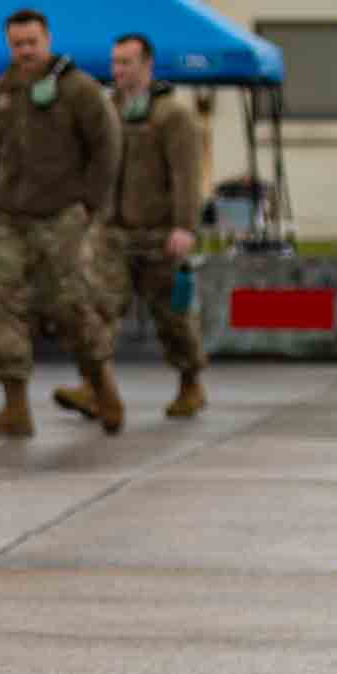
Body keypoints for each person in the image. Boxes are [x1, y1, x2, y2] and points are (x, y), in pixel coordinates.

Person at [0, 6, 119, 439]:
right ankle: (14, 407)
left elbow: (106, 146)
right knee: (0, 303)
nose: (25, 51)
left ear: (47, 40)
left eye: (32, 42)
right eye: (17, 44)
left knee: (69, 304)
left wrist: (89, 204)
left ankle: (101, 384)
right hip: (7, 217)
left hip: (61, 214)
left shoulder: (78, 90)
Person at [103, 30, 213, 420]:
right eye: (115, 62)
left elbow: (187, 175)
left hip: (159, 234)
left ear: (147, 65)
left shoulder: (172, 115)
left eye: (126, 63)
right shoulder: (108, 111)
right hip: (114, 233)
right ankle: (96, 385)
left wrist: (184, 226)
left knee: (171, 316)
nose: (118, 70)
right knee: (99, 308)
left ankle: (190, 382)